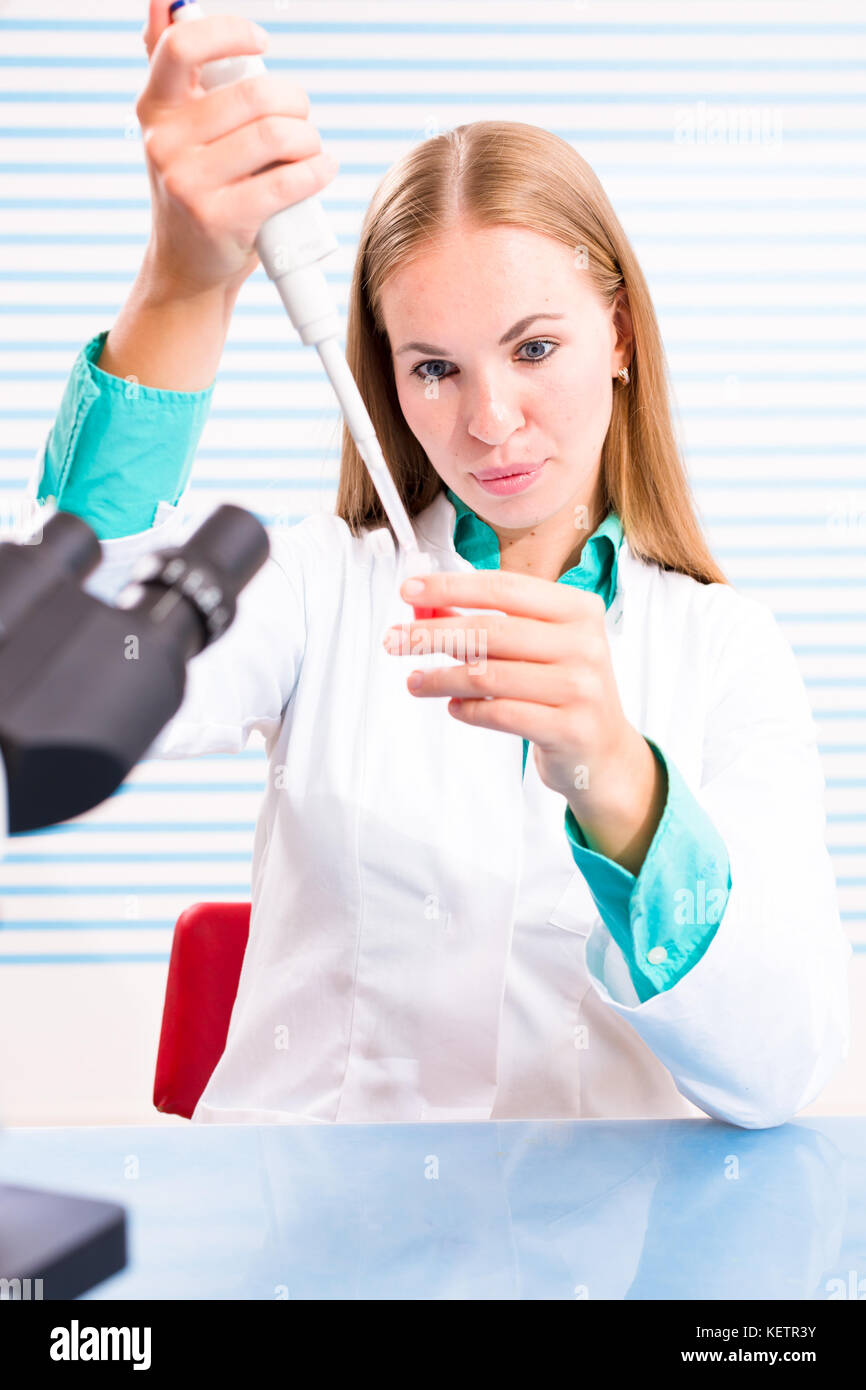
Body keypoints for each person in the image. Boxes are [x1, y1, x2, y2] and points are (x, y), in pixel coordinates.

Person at [26, 5, 850, 1127]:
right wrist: (182, 287)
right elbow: (59, 658)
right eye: (433, 368)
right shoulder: (314, 588)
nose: (492, 422)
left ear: (614, 335)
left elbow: (775, 1069)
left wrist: (616, 774)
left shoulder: (724, 650)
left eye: (533, 347)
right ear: (386, 381)